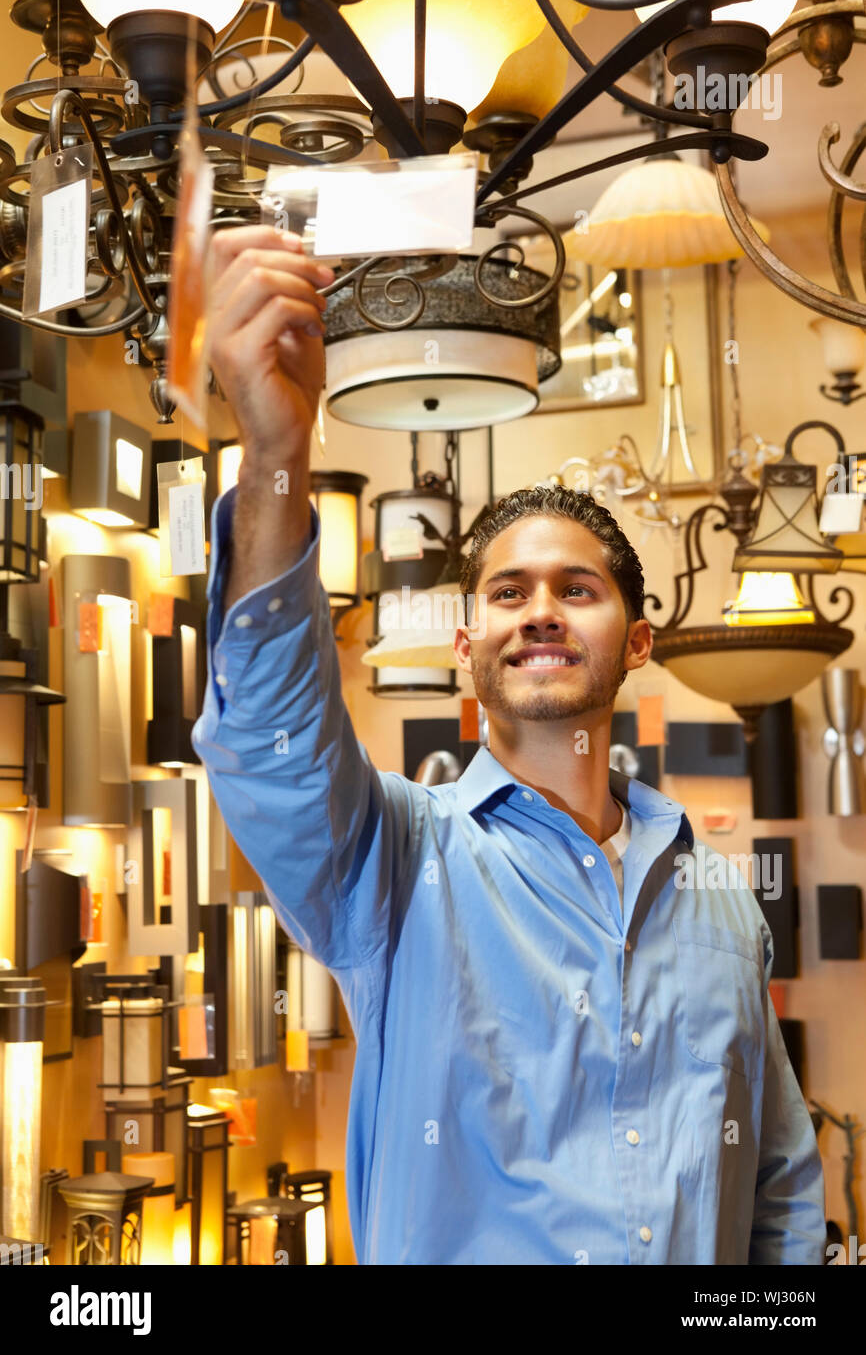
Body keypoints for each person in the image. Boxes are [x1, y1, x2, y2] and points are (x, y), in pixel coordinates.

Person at [192, 225, 827, 1266]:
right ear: (465, 646)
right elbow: (271, 739)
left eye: (575, 590)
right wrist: (275, 454)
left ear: (634, 642)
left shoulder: (716, 896)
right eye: (505, 592)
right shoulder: (392, 863)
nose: (537, 611)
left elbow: (776, 1188)